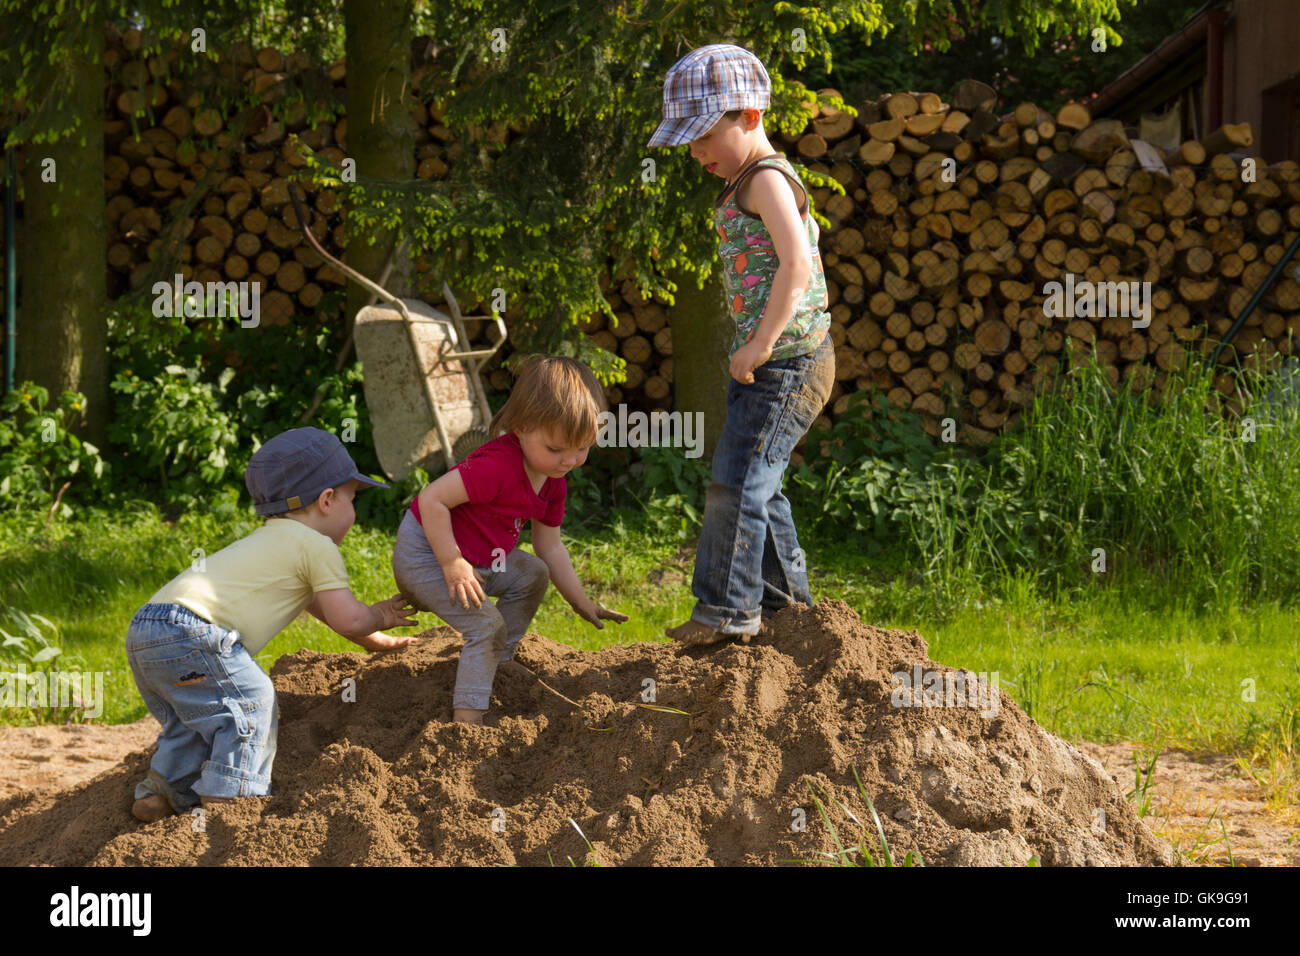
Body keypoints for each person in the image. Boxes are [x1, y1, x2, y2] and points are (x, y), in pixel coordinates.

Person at [126, 427, 417, 822]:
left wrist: (374, 640)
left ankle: (161, 793)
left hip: (148, 627)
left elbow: (324, 610)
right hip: (192, 631)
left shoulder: (273, 541)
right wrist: (380, 614)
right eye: (353, 499)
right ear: (327, 500)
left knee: (195, 718)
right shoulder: (317, 546)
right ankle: (233, 798)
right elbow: (346, 614)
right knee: (252, 701)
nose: (354, 511)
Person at [648, 43, 836, 648]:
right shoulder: (743, 182)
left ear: (750, 117)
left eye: (703, 135)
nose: (694, 151)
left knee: (736, 481)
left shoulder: (769, 180)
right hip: (773, 362)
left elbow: (796, 267)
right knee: (760, 483)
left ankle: (727, 610)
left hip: (789, 361)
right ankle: (792, 615)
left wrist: (759, 342)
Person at [393, 355, 628, 724]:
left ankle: (496, 663)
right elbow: (432, 499)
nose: (568, 460)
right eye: (556, 449)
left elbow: (549, 546)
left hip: (483, 558)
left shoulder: (553, 481)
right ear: (520, 427)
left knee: (533, 572)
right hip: (428, 553)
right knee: (487, 627)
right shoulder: (497, 466)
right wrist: (452, 564)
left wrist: (582, 603)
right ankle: (466, 728)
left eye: (582, 449)